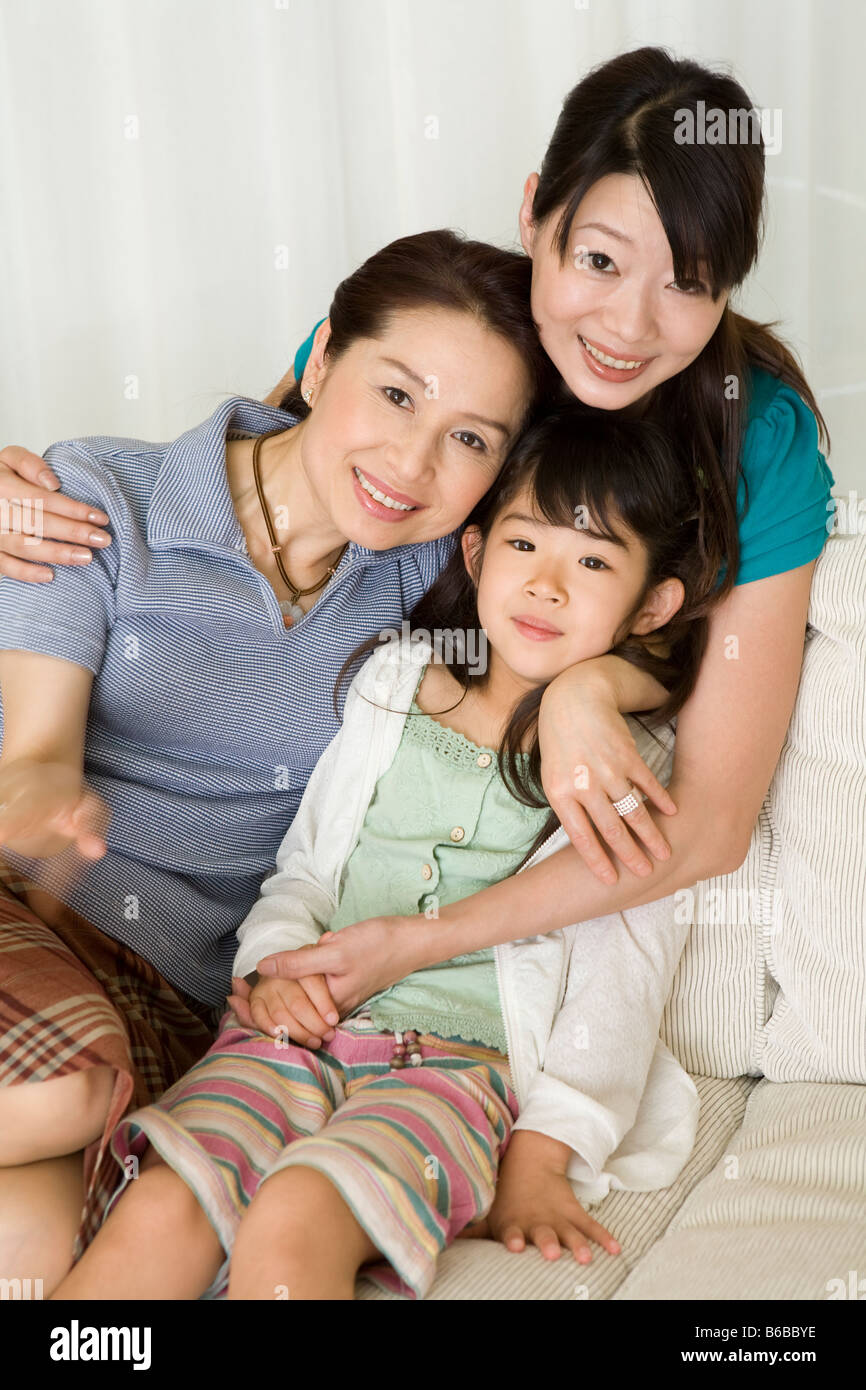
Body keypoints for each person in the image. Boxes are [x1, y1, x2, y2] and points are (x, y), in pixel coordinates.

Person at [0, 46, 834, 1288]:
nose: (625, 323)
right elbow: (268, 496)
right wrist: (33, 495)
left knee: (66, 1199)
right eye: (596, 259)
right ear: (534, 211)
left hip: (274, 1002)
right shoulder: (421, 368)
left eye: (688, 285)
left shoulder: (732, 439)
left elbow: (677, 756)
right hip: (117, 937)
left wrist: (592, 688)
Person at [53, 406, 706, 1301]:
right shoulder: (395, 681)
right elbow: (308, 868)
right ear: (474, 555)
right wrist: (275, 969)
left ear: (655, 602)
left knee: (298, 1209)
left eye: (593, 562)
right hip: (288, 1035)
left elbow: (620, 985)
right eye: (525, 546)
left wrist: (546, 1158)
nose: (548, 585)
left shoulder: (631, 770)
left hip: (454, 1069)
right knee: (165, 1205)